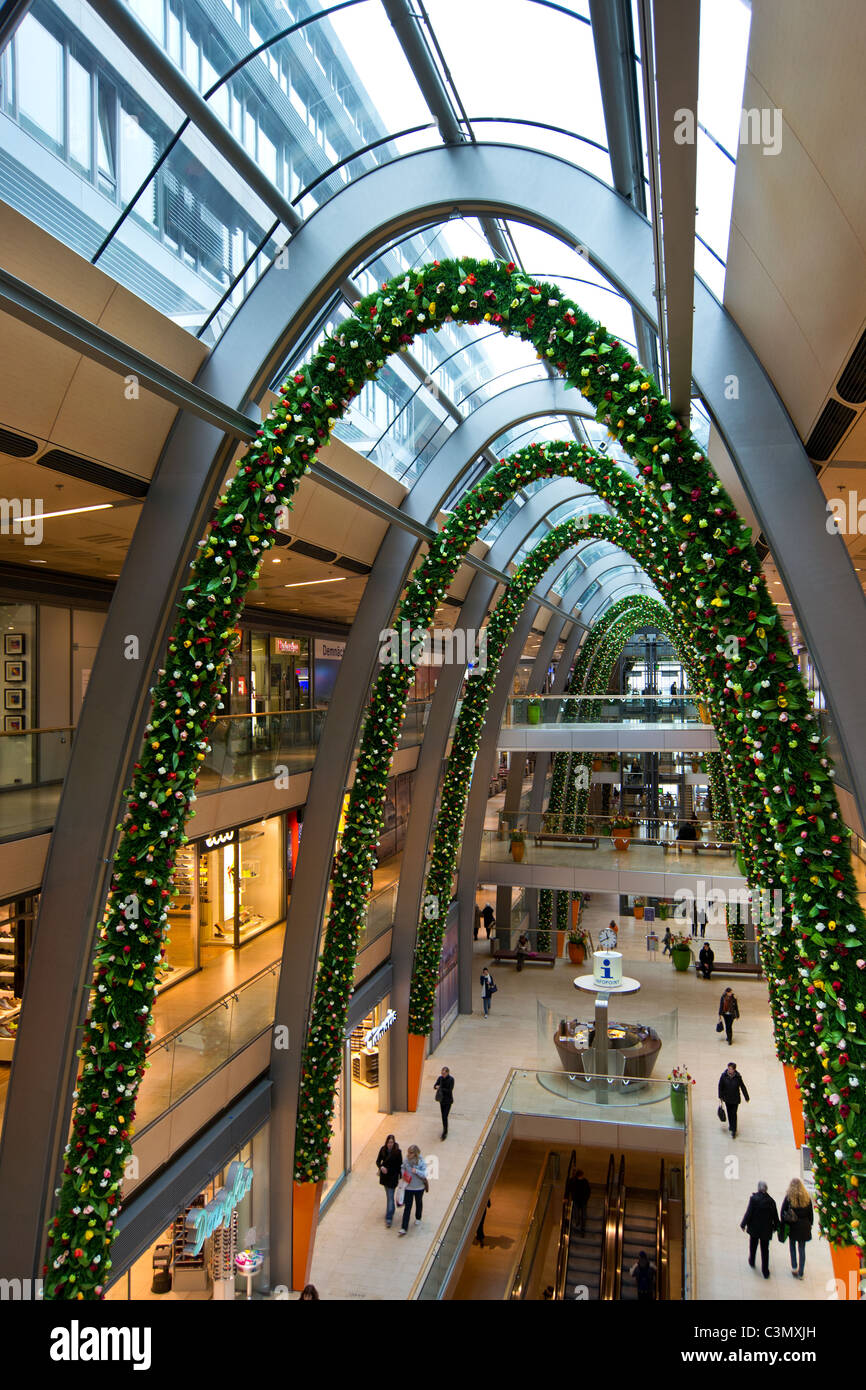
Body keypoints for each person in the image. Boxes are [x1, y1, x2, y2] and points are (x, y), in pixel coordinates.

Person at [741, 1181, 779, 1279]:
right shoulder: (771, 1201)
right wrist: (776, 1227)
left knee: (753, 1245)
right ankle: (765, 1271)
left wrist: (743, 1224)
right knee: (765, 1250)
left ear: (758, 1189)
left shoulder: (754, 1199)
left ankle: (752, 1261)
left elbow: (749, 1212)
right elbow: (775, 1216)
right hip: (766, 1230)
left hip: (754, 1228)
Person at [780, 1177, 814, 1279]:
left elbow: (783, 1212)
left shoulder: (789, 1198)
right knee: (802, 1249)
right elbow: (810, 1215)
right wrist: (810, 1225)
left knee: (792, 1246)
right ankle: (801, 1272)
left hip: (793, 1226)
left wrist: (784, 1223)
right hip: (804, 1227)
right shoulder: (807, 1198)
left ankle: (794, 1267)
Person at [399, 1145, 428, 1234]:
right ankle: (404, 1227)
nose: (409, 1154)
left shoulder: (421, 1162)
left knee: (418, 1202)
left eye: (411, 1153)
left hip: (419, 1187)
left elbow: (425, 1174)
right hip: (409, 1187)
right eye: (408, 1152)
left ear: (415, 1154)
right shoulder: (406, 1160)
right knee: (408, 1207)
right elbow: (402, 1168)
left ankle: (418, 1217)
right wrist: (404, 1174)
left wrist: (416, 1171)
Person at [375, 1133, 402, 1227]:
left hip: (393, 1177)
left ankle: (389, 1217)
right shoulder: (383, 1150)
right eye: (389, 1142)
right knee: (389, 1196)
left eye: (392, 1142)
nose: (390, 1144)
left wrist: (400, 1177)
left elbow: (399, 1165)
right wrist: (381, 1167)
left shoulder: (397, 1152)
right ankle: (391, 1210)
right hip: (385, 1177)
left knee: (390, 1196)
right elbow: (378, 1161)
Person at [718, 1060, 750, 1137]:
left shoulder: (738, 1077)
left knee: (734, 1113)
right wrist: (720, 1096)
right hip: (727, 1098)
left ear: (734, 1069)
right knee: (729, 1113)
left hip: (735, 1099)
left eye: (731, 1069)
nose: (729, 1070)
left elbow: (742, 1086)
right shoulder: (723, 1076)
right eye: (728, 1068)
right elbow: (720, 1086)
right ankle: (731, 1126)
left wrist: (746, 1096)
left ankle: (734, 1129)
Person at [568, 1168, 591, 1237]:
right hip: (579, 1201)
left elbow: (588, 1191)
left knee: (581, 1215)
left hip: (580, 1201)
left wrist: (586, 1199)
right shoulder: (576, 1181)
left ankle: (581, 1228)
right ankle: (579, 1225)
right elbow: (569, 1189)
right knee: (579, 1215)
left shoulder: (582, 1181)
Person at [434, 1066, 454, 1139]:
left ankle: (445, 1132)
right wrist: (436, 1086)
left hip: (448, 1101)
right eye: (442, 1073)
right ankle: (445, 1129)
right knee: (443, 1116)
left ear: (447, 1073)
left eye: (444, 1073)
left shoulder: (451, 1079)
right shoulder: (440, 1078)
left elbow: (450, 1090)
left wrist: (440, 1088)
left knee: (445, 1116)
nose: (442, 1074)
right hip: (442, 1100)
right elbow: (435, 1085)